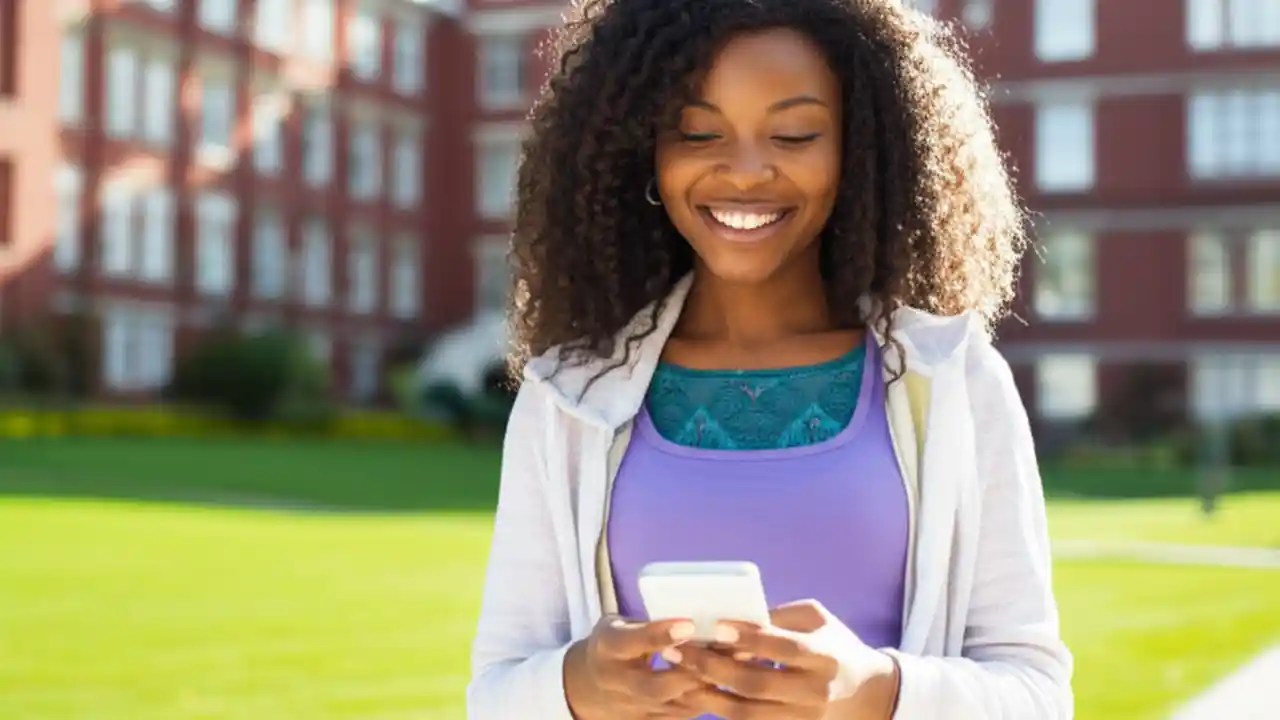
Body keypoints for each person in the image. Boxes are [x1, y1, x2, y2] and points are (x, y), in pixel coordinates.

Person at [468, 0, 1073, 718]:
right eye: (698, 132)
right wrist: (578, 685)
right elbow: (495, 693)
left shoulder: (951, 380)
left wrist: (875, 690)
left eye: (794, 134)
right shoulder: (568, 396)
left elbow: (1037, 695)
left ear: (858, 150)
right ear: (646, 151)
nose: (746, 172)